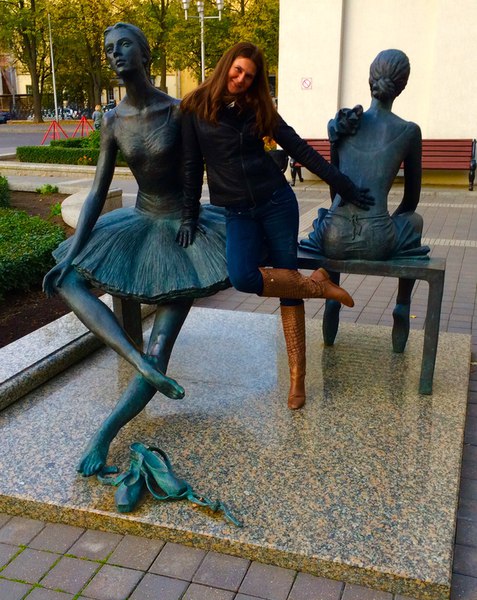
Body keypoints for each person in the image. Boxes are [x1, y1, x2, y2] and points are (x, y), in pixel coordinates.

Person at [43, 22, 230, 477]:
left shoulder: (178, 110)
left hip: (184, 234)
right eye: (109, 48)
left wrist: (190, 219)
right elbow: (97, 191)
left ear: (145, 54)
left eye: (124, 45)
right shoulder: (112, 121)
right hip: (138, 223)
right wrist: (73, 252)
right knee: (64, 279)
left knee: (161, 344)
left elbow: (199, 171)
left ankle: (104, 433)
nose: (115, 53)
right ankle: (138, 363)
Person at [178, 42, 373, 410]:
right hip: (238, 212)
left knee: (288, 288)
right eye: (237, 70)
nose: (241, 80)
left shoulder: (258, 108)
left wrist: (343, 185)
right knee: (242, 276)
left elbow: (300, 149)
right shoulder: (194, 107)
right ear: (226, 66)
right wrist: (189, 215)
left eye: (249, 76)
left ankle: (298, 378)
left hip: (277, 204)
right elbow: (190, 166)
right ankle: (319, 284)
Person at [300, 49, 430, 352]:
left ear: (370, 79)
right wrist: (387, 221)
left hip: (332, 237)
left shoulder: (343, 123)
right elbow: (411, 200)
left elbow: (335, 189)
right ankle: (402, 304)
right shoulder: (409, 131)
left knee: (327, 214)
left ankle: (332, 301)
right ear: (402, 86)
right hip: (378, 240)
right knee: (415, 221)